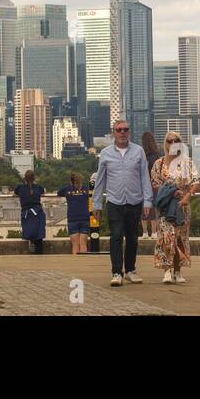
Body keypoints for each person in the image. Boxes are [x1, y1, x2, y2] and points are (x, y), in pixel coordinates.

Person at [91, 119, 155, 287]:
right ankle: (117, 272)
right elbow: (100, 180)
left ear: (129, 132)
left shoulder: (138, 151)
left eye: (125, 129)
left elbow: (144, 177)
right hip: (114, 202)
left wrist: (148, 201)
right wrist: (96, 204)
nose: (122, 133)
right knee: (116, 236)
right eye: (118, 130)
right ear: (113, 133)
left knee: (133, 238)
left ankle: (130, 270)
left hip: (134, 201)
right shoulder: (105, 153)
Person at [151, 131, 200, 284]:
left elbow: (195, 181)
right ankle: (167, 270)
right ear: (165, 144)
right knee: (166, 237)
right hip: (165, 206)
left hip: (182, 206)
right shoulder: (159, 164)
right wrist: (170, 191)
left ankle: (177, 271)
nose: (172, 144)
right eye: (169, 141)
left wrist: (187, 196)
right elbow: (154, 183)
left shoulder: (187, 162)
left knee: (179, 237)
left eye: (176, 141)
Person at [57, 172, 92, 254]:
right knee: (83, 243)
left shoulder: (67, 189)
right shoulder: (86, 189)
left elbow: (59, 192)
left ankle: (76, 263)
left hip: (72, 218)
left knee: (75, 244)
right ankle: (84, 263)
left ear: (71, 181)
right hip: (85, 218)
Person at [15, 170, 46, 254]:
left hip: (26, 214)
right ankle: (39, 253)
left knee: (30, 232)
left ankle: (31, 248)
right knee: (39, 236)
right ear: (34, 178)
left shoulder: (20, 188)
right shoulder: (39, 187)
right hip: (37, 213)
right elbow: (43, 192)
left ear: (24, 178)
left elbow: (15, 192)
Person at [141, 132, 163, 237]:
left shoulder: (142, 155)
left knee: (144, 207)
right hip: (155, 184)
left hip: (143, 184)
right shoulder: (157, 156)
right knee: (154, 207)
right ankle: (154, 232)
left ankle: (145, 232)